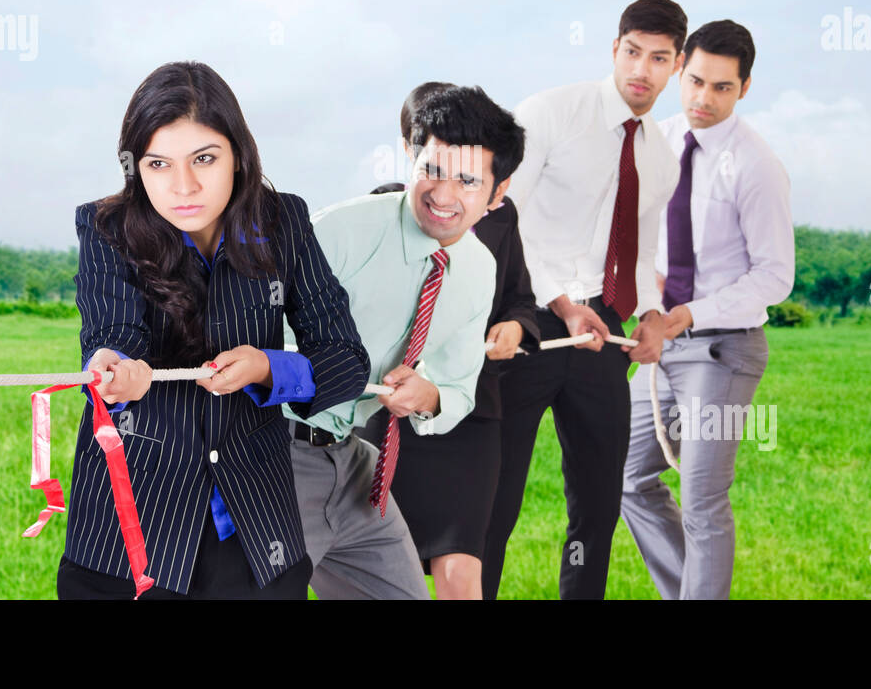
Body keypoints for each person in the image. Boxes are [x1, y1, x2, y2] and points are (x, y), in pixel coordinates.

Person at [57, 60, 370, 599]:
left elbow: (346, 359)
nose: (183, 186)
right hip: (128, 541)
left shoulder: (284, 222)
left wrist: (271, 368)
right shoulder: (107, 228)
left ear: (239, 156)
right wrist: (118, 370)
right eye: (159, 164)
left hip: (257, 537)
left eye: (204, 158)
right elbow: (114, 333)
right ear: (137, 168)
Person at [483, 0, 686, 599]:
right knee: (496, 497)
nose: (641, 71)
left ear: (675, 64)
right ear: (614, 48)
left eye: (658, 58)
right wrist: (560, 301)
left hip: (602, 329)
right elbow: (507, 214)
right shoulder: (549, 113)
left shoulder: (660, 155)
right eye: (632, 53)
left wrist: (649, 313)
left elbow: (642, 251)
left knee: (599, 500)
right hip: (527, 322)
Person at [283, 85, 519, 599]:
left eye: (468, 180)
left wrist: (426, 396)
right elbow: (259, 342)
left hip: (353, 464)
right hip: (276, 452)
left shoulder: (478, 271)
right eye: (432, 170)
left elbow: (457, 387)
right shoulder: (339, 232)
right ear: (411, 158)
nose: (442, 194)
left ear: (498, 194)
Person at [621, 19, 794, 599]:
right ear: (678, 72)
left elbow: (775, 276)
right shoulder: (657, 141)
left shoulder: (756, 166)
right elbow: (638, 235)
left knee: (701, 499)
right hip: (660, 342)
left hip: (721, 350)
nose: (703, 98)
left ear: (744, 88)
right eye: (695, 81)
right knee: (627, 479)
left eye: (721, 87)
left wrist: (689, 313)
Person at [363, 82, 538, 599]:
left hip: (468, 411)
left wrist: (515, 326)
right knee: (377, 566)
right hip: (386, 409)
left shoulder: (501, 218)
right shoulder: (381, 211)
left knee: (462, 568)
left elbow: (519, 298)